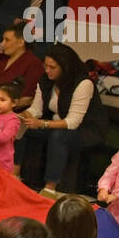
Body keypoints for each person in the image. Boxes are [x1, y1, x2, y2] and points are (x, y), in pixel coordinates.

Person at [20, 44, 107, 194]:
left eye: (52, 67)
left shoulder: (83, 83)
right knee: (25, 130)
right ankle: (20, 176)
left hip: (85, 130)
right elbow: (37, 109)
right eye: (45, 66)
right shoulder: (45, 80)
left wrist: (41, 123)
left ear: (65, 67)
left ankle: (50, 187)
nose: (47, 70)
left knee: (58, 136)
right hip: (55, 124)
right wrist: (25, 116)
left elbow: (73, 122)